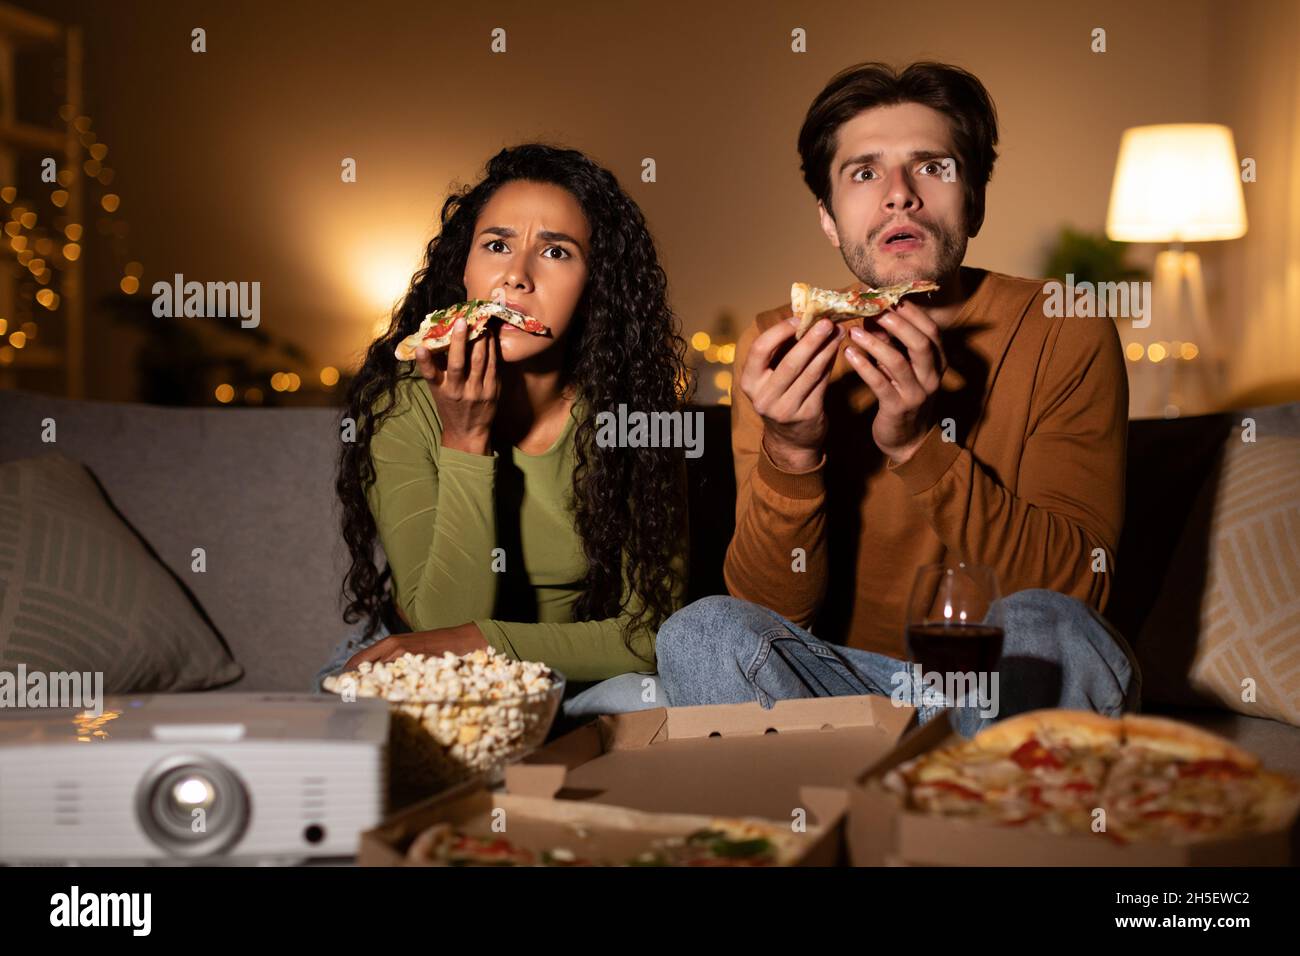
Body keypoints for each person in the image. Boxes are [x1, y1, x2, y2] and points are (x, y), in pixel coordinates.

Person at [654, 61, 1141, 737]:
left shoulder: (1065, 324)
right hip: (850, 691)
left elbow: (1075, 591)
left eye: (932, 167)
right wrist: (790, 452)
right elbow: (769, 610)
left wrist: (917, 446)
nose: (899, 196)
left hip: (1010, 680)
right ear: (828, 218)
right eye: (864, 173)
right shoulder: (776, 345)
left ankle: (984, 812)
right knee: (699, 632)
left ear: (973, 200)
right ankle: (837, 813)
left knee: (1047, 622)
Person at [323, 144, 688, 718]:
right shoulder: (403, 403)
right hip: (420, 671)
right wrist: (465, 440)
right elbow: (440, 638)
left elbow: (648, 636)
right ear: (464, 270)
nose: (516, 277)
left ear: (596, 285)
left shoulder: (634, 417)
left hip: (570, 676)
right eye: (496, 246)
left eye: (557, 252)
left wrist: (490, 642)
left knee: (662, 702)